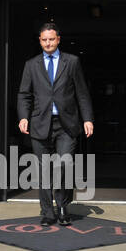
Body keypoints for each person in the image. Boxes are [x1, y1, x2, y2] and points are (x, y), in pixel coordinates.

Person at [17, 22, 94, 226]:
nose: (48, 43)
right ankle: (47, 212)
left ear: (58, 39)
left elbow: (82, 93)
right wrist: (23, 116)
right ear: (40, 41)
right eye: (44, 40)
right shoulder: (31, 65)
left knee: (64, 164)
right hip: (40, 123)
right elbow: (24, 94)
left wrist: (87, 119)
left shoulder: (72, 62)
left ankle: (62, 206)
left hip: (66, 123)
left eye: (52, 39)